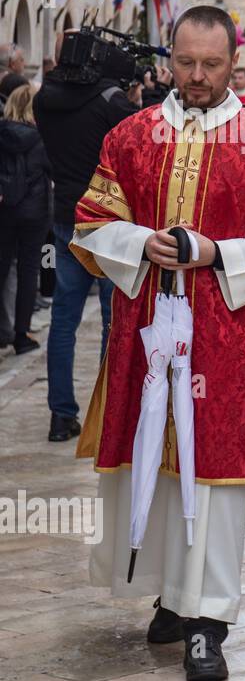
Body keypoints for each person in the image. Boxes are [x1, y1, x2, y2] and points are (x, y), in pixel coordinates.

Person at [70, 5, 245, 681]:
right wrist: (135, 243)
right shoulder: (132, 134)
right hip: (145, 331)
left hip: (224, 339)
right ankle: (165, 593)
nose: (198, 76)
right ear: (170, 59)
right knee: (149, 462)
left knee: (213, 475)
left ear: (234, 63)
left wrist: (217, 253)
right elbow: (92, 221)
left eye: (212, 65)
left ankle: (207, 621)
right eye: (186, 62)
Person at [32, 30, 138, 441]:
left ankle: (61, 415)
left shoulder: (44, 99)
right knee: (114, 321)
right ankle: (109, 411)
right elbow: (138, 143)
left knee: (63, 321)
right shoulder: (110, 101)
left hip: (65, 216)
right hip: (108, 219)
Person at [0, 84, 52, 355]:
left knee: (2, 268)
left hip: (5, 208)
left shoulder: (2, 134)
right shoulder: (41, 138)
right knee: (28, 271)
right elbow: (53, 170)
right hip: (34, 212)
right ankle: (21, 334)